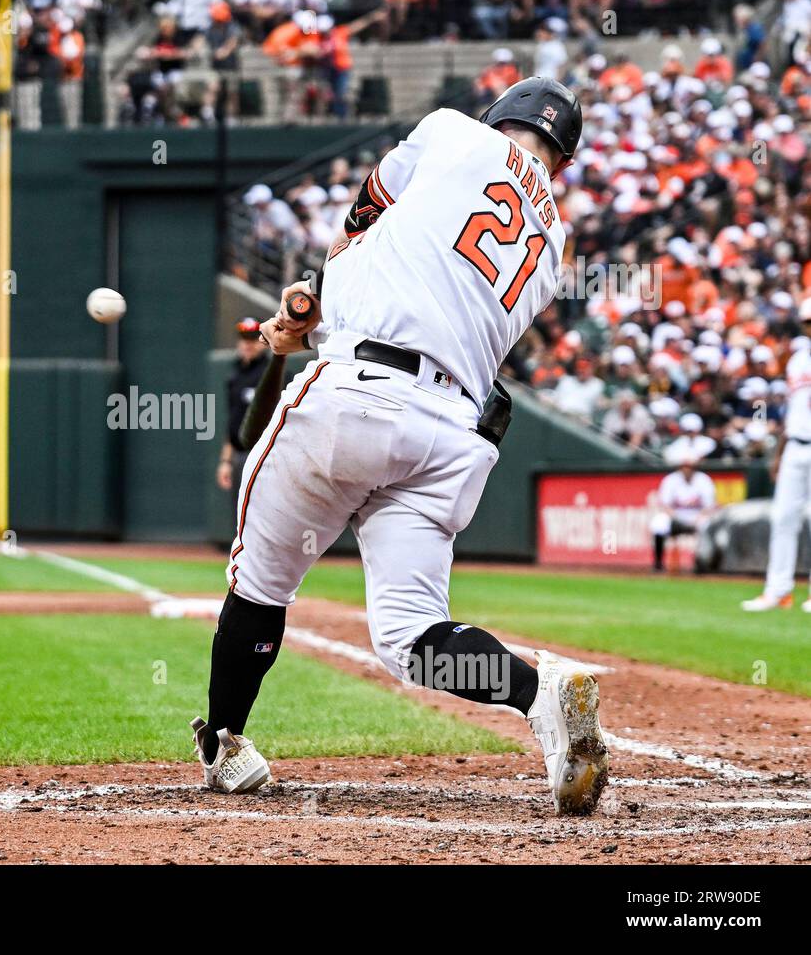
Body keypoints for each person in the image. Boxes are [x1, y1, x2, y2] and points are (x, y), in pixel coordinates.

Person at [192, 78, 610, 817]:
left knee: (260, 584)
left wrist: (304, 306)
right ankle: (536, 692)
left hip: (355, 397)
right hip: (451, 434)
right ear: (562, 161)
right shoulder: (553, 245)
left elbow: (363, 225)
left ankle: (225, 746)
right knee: (412, 635)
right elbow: (429, 283)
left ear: (498, 118)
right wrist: (312, 307)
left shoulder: (453, 131)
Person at [744, 298, 811, 611]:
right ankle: (778, 590)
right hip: (795, 446)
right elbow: (792, 412)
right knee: (783, 518)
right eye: (807, 323)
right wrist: (779, 454)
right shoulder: (798, 360)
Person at [218, 318, 273, 510]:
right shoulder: (235, 375)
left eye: (253, 338)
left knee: (263, 513)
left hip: (265, 456)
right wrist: (226, 461)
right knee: (240, 514)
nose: (247, 344)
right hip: (240, 455)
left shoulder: (274, 372)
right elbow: (232, 421)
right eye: (243, 338)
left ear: (265, 342)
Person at [650, 449, 716, 572]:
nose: (687, 469)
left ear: (695, 467)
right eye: (685, 466)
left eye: (690, 466)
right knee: (658, 523)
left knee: (706, 525)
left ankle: (701, 565)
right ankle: (658, 563)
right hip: (675, 516)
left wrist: (698, 518)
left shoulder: (704, 480)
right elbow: (664, 505)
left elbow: (710, 506)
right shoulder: (671, 479)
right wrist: (675, 518)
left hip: (697, 516)